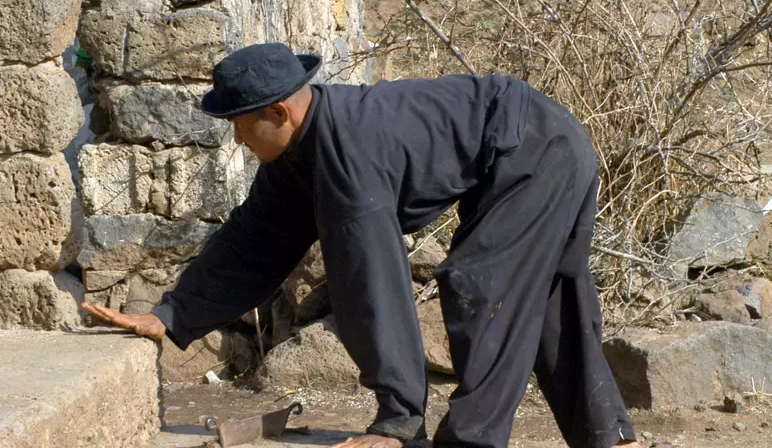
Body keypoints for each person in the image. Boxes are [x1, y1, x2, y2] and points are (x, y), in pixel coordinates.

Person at [83, 42, 641, 448]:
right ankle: (607, 437)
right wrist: (171, 313)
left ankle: (471, 441)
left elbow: (371, 283)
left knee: (482, 285)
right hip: (535, 143)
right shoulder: (299, 153)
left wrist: (397, 421)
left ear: (280, 112)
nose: (236, 137)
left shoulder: (348, 152)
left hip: (537, 148)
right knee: (543, 301)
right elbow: (251, 241)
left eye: (241, 124)